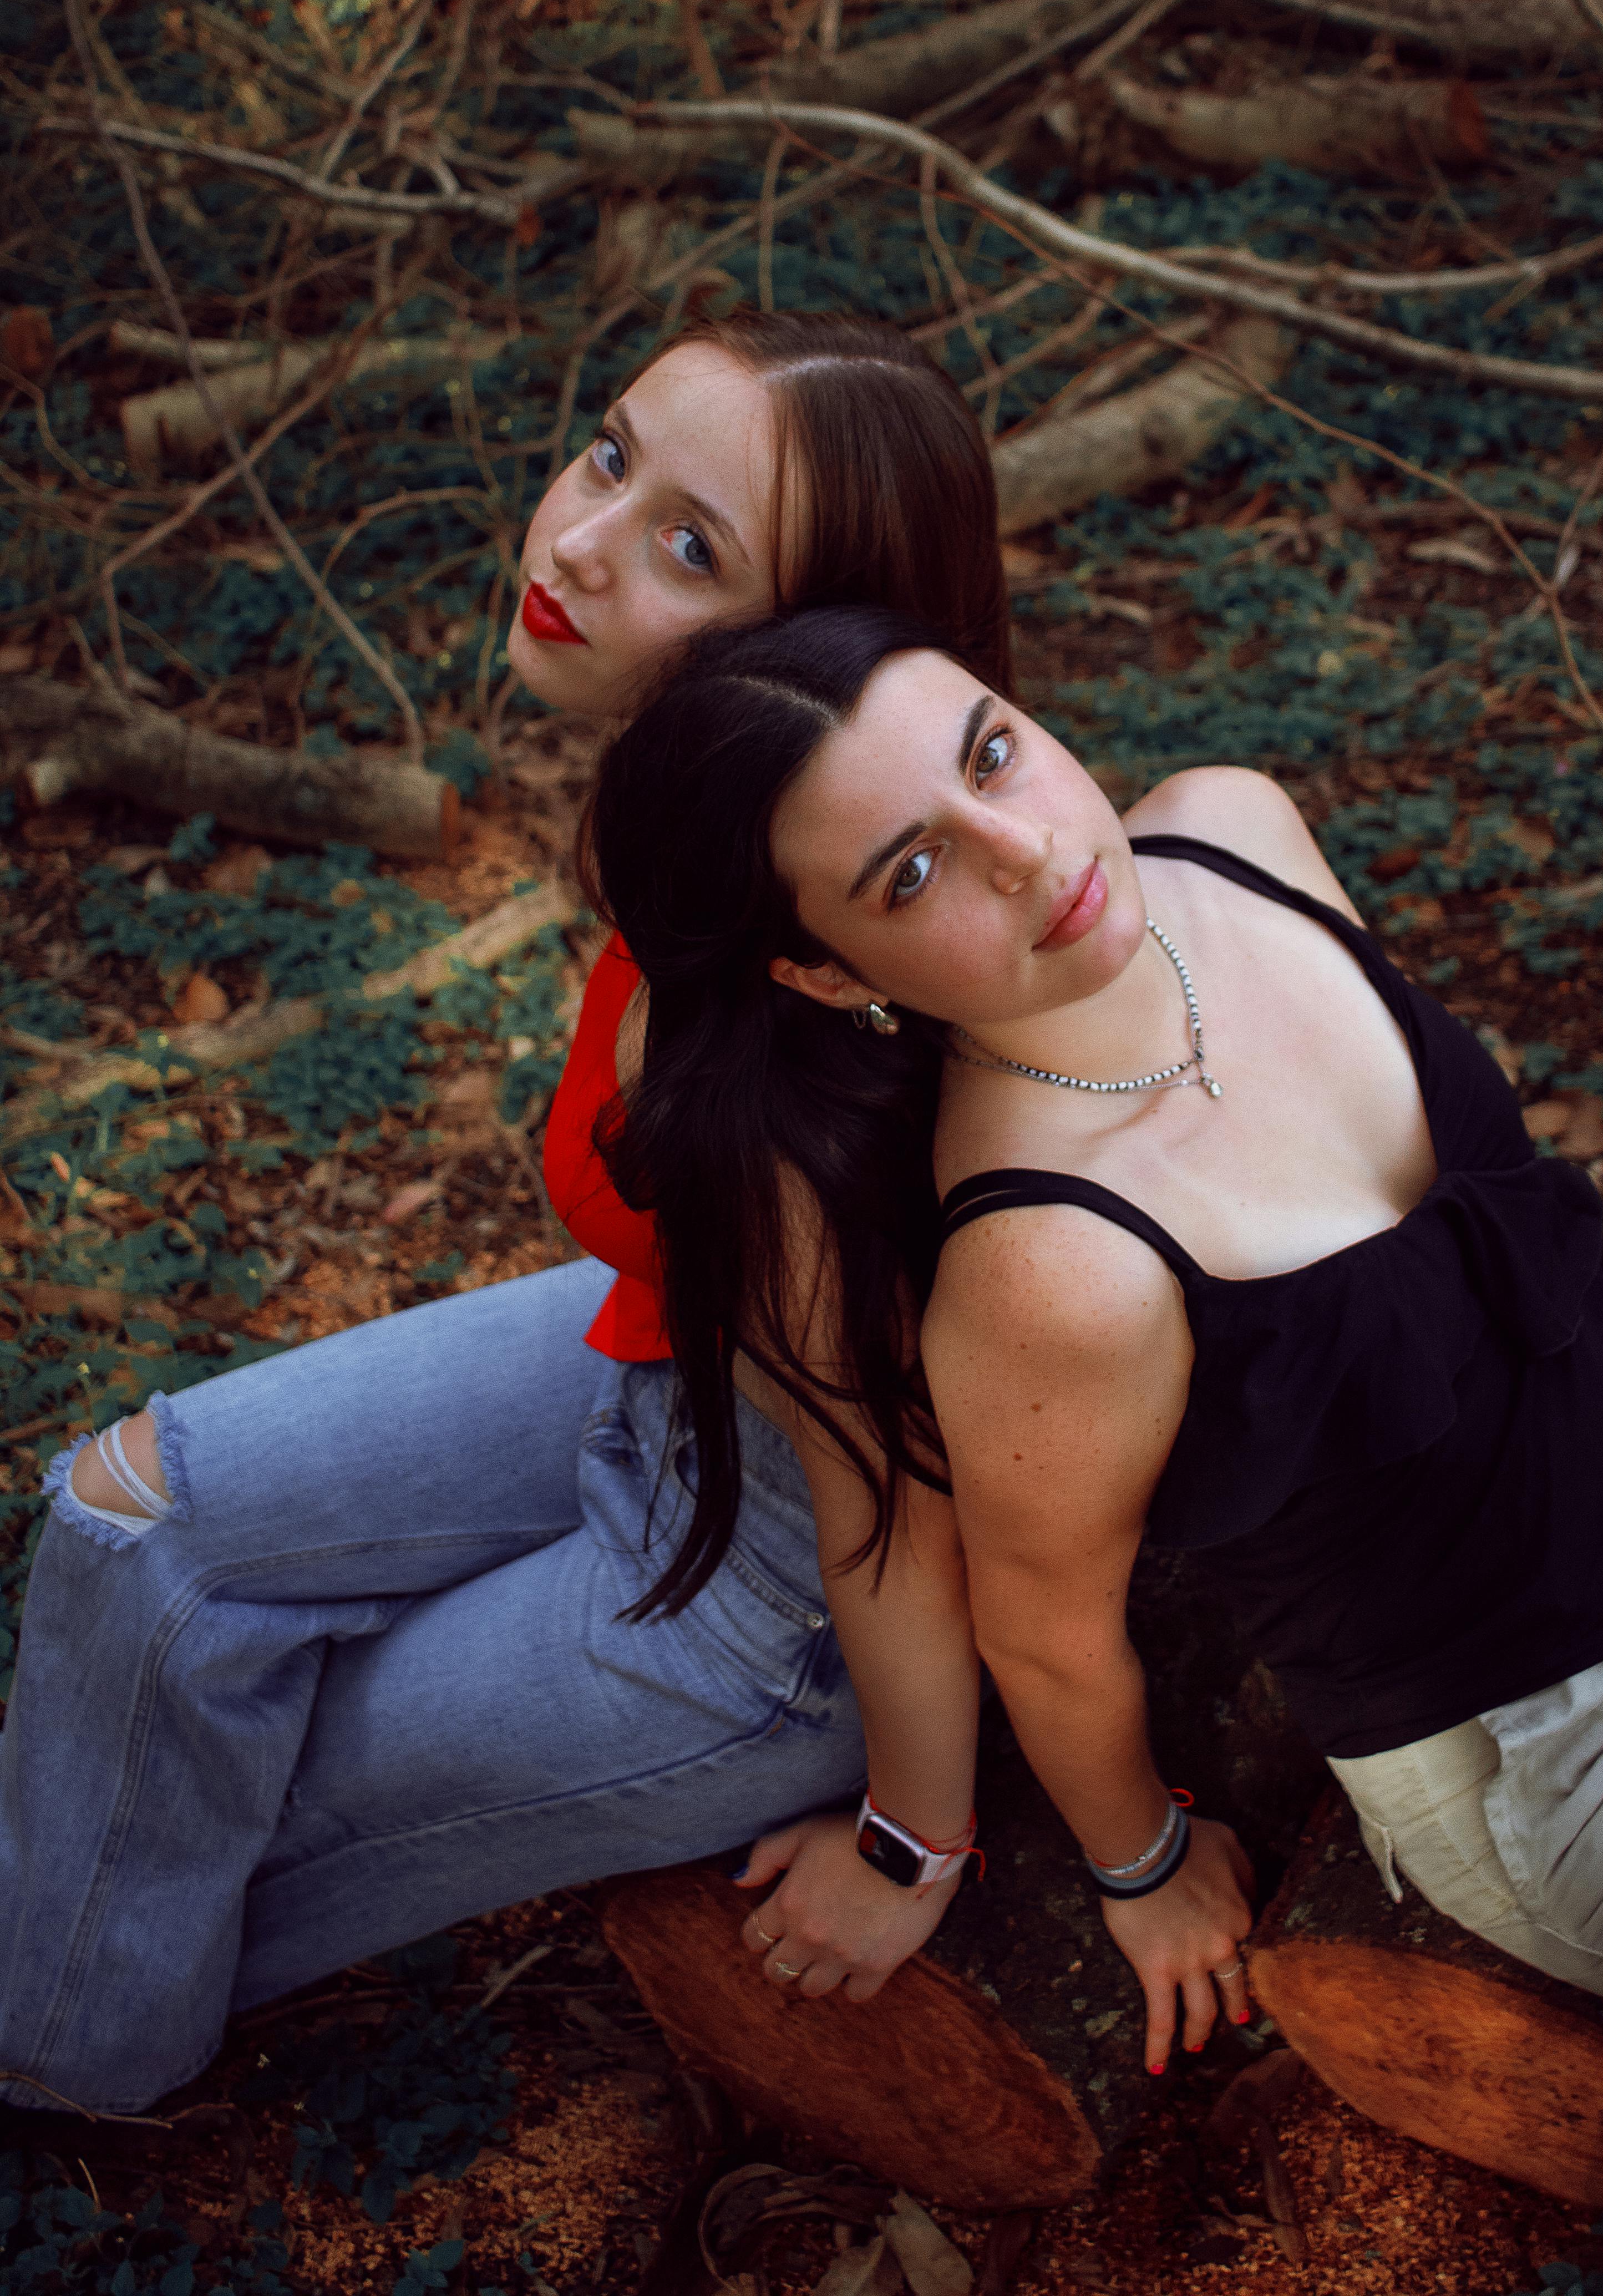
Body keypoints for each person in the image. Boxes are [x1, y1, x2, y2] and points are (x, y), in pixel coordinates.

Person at [583, 602, 1603, 2084]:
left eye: (994, 755)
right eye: (912, 872)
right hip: (1598, 1761)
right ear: (831, 975)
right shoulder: (1049, 1265)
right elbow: (1043, 1626)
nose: (1023, 849)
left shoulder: (1236, 831)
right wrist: (1144, 1866)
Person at [0, 315, 1007, 2119]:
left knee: (174, 1799)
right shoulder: (719, 836)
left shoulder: (804, 1002)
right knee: (117, 1517)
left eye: (690, 548)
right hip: (651, 1368)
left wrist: (914, 1843)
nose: (575, 543)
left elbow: (886, 1516)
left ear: (810, 642)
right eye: (612, 458)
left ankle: (57, 2053)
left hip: (762, 1602)